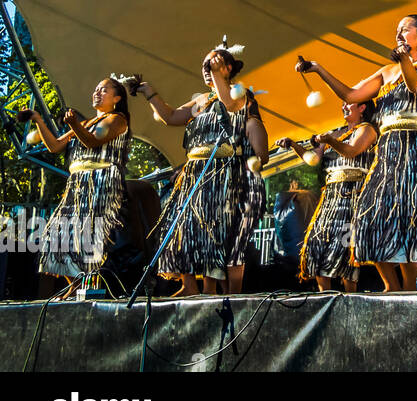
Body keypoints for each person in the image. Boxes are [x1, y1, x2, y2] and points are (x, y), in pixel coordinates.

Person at [298, 14, 417, 292]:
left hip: (415, 148)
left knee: (407, 215)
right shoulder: (386, 72)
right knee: (366, 215)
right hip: (387, 150)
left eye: (404, 29)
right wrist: (318, 69)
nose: (398, 34)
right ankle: (392, 286)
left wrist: (405, 60)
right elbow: (351, 95)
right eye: (397, 30)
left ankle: (409, 287)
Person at [138, 42, 268, 295]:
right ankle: (189, 287)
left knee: (214, 234)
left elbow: (228, 104)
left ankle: (215, 291)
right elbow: (171, 117)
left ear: (228, 68)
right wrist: (148, 92)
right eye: (205, 65)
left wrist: (217, 73)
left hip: (222, 175)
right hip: (196, 175)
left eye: (213, 64)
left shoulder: (238, 93)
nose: (207, 68)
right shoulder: (201, 100)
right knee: (183, 229)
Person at [25, 78, 131, 290]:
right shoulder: (87, 123)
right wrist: (38, 120)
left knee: (88, 237)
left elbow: (93, 141)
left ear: (117, 98)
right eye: (96, 89)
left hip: (101, 181)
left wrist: (74, 124)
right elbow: (55, 146)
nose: (97, 92)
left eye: (104, 90)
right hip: (77, 183)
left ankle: (88, 288)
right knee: (56, 235)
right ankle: (76, 286)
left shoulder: (117, 120)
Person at [280, 101, 378, 293]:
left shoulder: (367, 130)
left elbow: (351, 151)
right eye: (342, 104)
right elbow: (313, 159)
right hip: (330, 196)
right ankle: (324, 295)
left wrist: (329, 141)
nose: (343, 107)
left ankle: (350, 298)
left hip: (353, 194)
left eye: (348, 103)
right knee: (316, 242)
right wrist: (293, 145)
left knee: (345, 248)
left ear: (362, 108)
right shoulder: (335, 133)